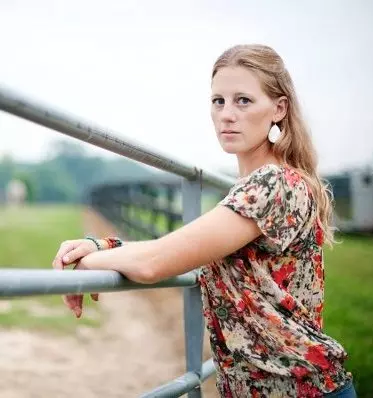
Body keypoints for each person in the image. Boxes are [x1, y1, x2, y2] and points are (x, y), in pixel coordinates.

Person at [52, 44, 356, 398]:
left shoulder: (274, 185)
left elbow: (155, 263)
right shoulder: (259, 186)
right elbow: (175, 248)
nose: (227, 114)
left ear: (278, 108)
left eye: (243, 100)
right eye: (218, 101)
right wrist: (100, 245)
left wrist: (87, 257)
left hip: (298, 390)